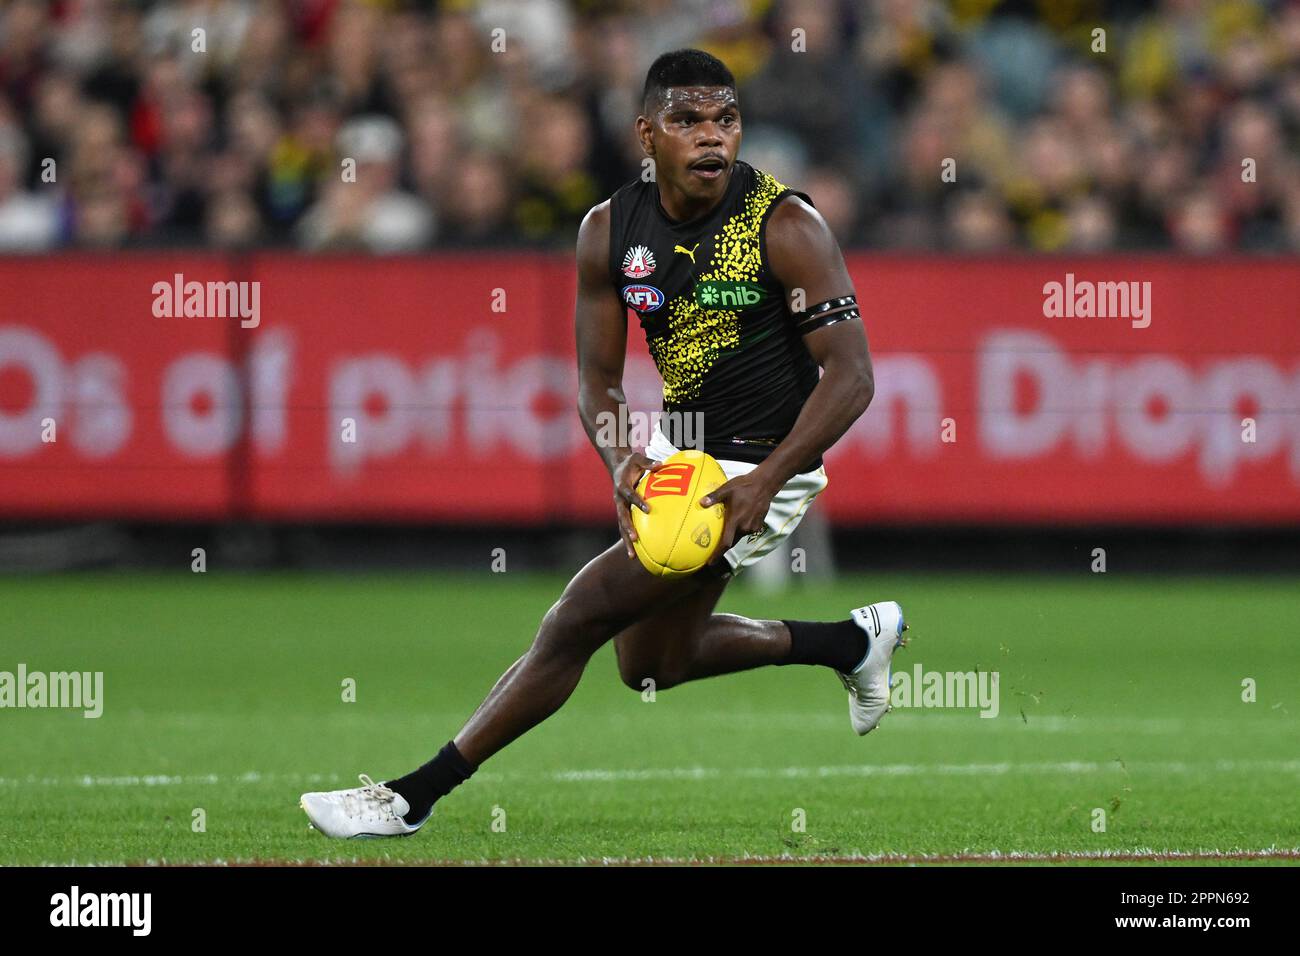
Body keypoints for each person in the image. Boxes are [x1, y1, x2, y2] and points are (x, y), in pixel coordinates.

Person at [300, 49, 908, 839]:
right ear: (646, 135)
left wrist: (769, 479)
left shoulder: (783, 223)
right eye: (688, 121)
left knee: (576, 620)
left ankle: (410, 795)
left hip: (762, 462)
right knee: (651, 665)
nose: (712, 138)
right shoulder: (609, 231)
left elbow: (852, 377)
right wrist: (622, 457)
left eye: (725, 119)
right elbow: (596, 380)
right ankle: (853, 641)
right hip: (678, 454)